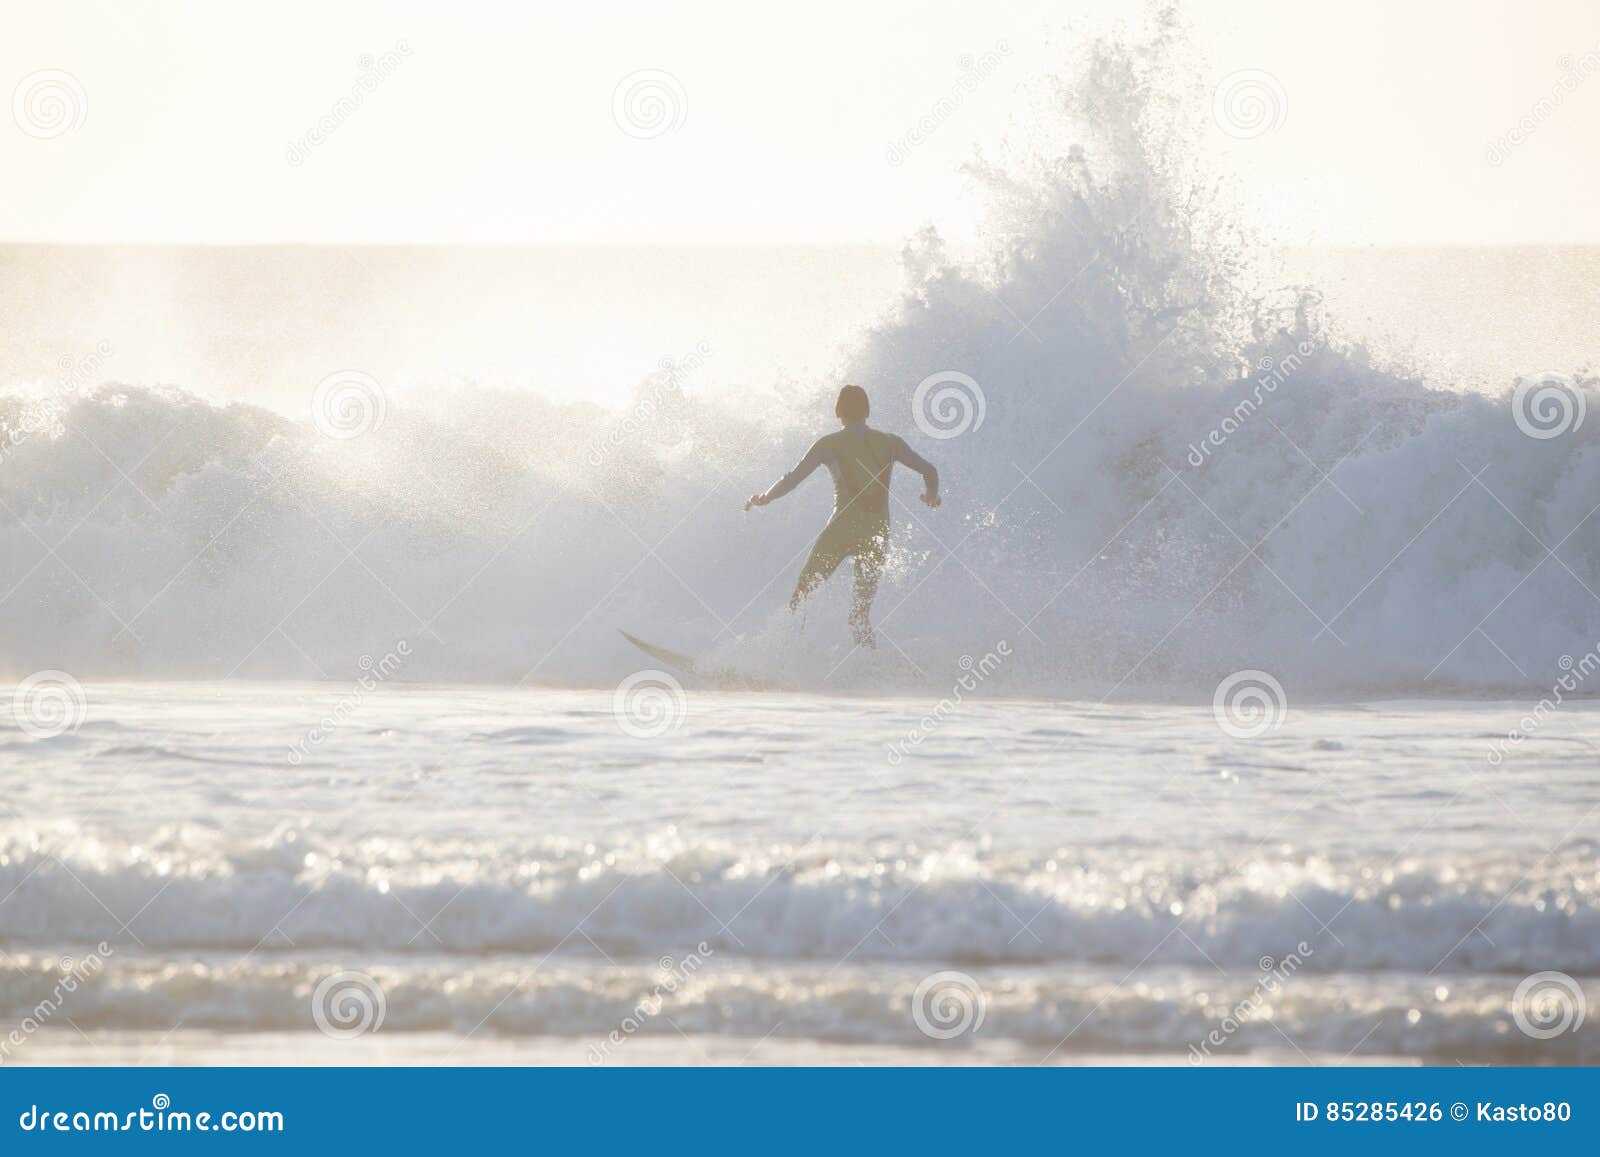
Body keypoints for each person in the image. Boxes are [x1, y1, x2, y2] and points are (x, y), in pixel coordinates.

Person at [745, 384, 940, 647]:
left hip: (840, 531)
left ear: (838, 412)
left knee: (801, 597)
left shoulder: (828, 444)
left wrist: (765, 497)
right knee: (859, 617)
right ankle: (872, 666)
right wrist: (931, 495)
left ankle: (786, 659)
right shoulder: (891, 443)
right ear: (867, 411)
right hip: (876, 534)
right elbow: (929, 470)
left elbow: (792, 479)